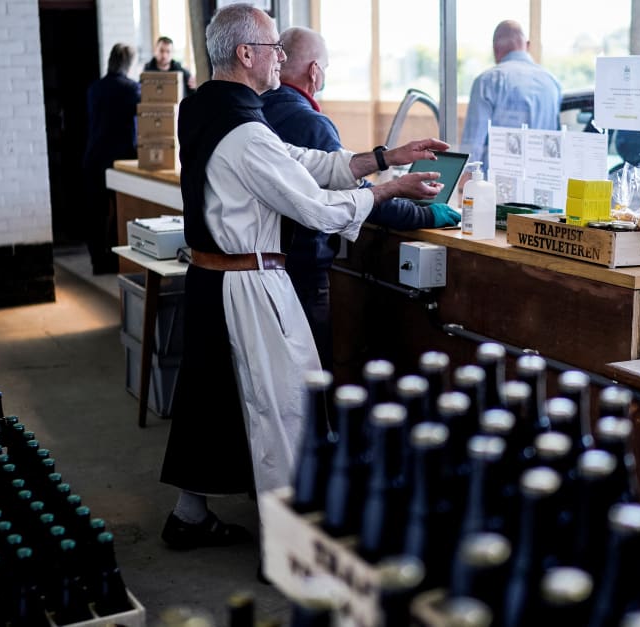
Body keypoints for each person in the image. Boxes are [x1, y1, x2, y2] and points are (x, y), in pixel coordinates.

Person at [159, 2, 447, 550]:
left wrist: (383, 157)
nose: (280, 59)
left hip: (210, 277)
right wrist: (387, 189)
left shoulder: (205, 109)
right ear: (247, 54)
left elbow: (301, 161)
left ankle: (188, 514)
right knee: (282, 408)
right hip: (246, 282)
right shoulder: (244, 132)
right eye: (274, 50)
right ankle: (286, 545)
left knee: (211, 397)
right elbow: (314, 206)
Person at [260, 26, 461, 370]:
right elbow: (357, 196)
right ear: (314, 71)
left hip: (262, 265)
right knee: (310, 373)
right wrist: (427, 215)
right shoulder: (311, 123)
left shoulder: (255, 112)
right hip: (301, 269)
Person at [459, 20, 561, 170]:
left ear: (495, 48)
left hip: (495, 186)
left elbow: (472, 147)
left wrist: (463, 183)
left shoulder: (487, 82)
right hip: (541, 183)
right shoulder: (553, 83)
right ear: (527, 45)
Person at [83, 43, 141, 274]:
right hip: (120, 159)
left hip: (93, 155)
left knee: (96, 212)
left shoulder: (95, 88)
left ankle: (98, 260)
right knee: (121, 211)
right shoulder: (133, 89)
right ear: (129, 64)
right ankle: (118, 258)